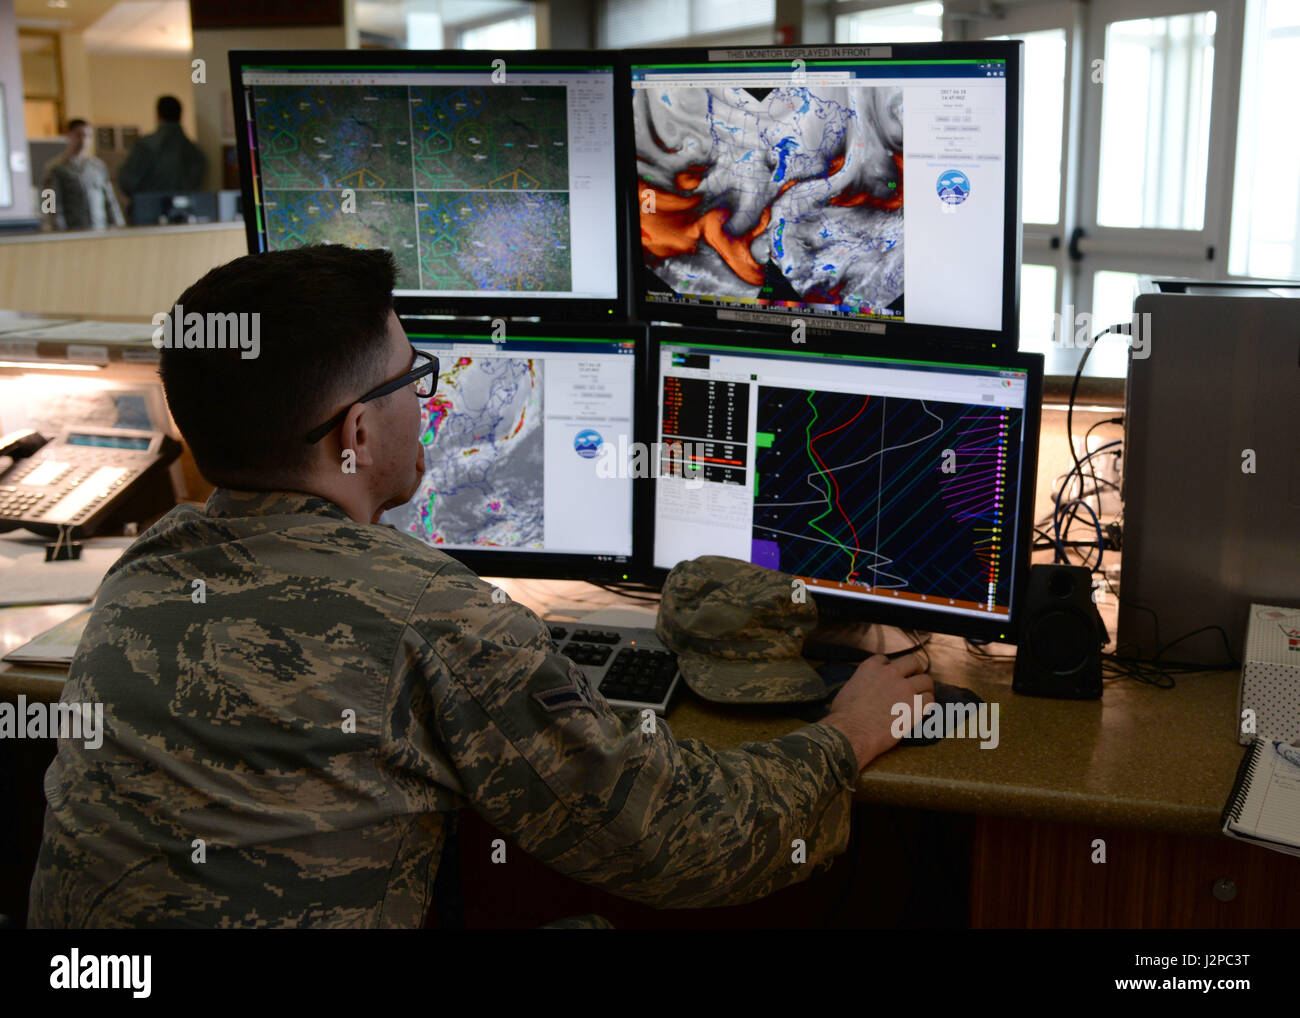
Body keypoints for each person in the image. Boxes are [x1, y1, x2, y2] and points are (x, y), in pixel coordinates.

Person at [26, 244, 934, 928]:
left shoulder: (140, 573)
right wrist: (845, 735)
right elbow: (679, 842)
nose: (426, 403)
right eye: (413, 379)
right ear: (355, 433)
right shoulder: (437, 615)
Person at [117, 95, 207, 203]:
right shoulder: (195, 152)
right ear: (180, 116)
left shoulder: (145, 146)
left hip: (148, 211)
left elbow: (127, 182)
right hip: (185, 211)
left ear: (158, 115)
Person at [40, 118, 125, 231]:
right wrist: (55, 229)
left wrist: (117, 224)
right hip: (72, 231)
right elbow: (49, 206)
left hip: (98, 228)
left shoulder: (98, 167)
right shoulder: (54, 168)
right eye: (79, 135)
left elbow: (110, 199)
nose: (83, 140)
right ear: (69, 136)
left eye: (88, 136)